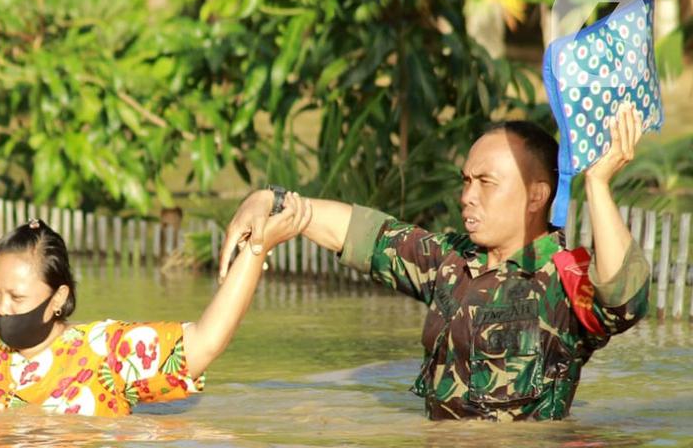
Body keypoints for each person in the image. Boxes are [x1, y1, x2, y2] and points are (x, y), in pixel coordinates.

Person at [218, 104, 650, 421]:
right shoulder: (450, 262)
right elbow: (363, 233)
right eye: (465, 181)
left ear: (537, 195)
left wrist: (596, 182)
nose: (467, 196)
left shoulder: (562, 280)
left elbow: (624, 299)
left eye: (486, 182)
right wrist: (271, 201)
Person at [0, 199, 311, 416]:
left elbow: (206, 341)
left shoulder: (107, 352)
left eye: (19, 298)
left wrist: (255, 251)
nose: (2, 309)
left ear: (59, 299)